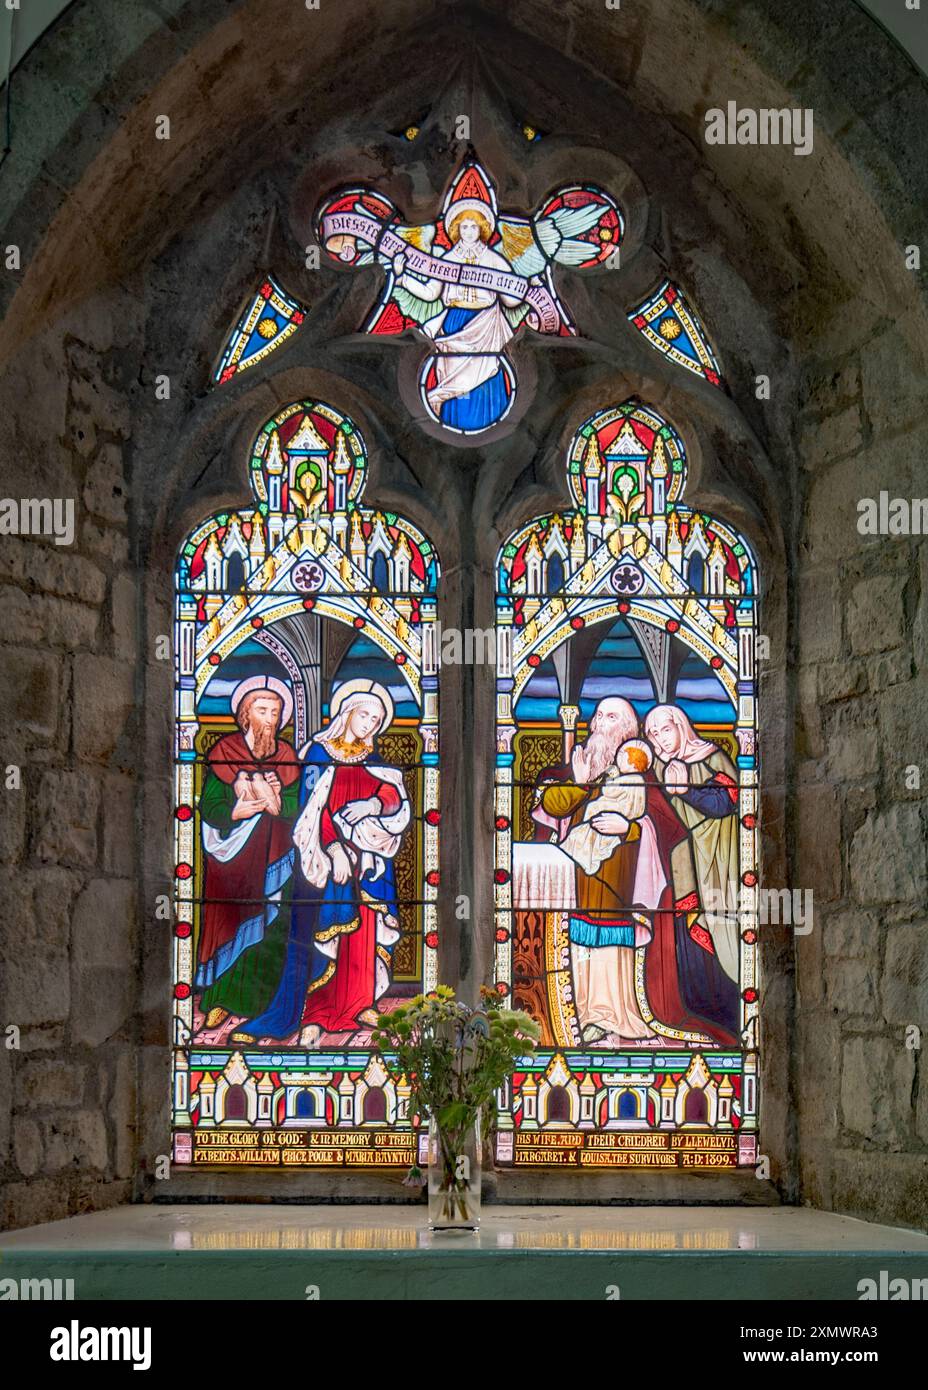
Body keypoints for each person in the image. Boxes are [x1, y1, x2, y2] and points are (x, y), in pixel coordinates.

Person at [535, 696, 738, 1047]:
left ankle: (622, 1017)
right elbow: (550, 805)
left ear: (628, 732)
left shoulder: (646, 778)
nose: (598, 724)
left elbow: (671, 829)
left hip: (625, 888)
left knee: (616, 955)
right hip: (580, 886)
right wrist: (581, 783)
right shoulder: (582, 768)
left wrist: (628, 829)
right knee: (583, 949)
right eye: (597, 716)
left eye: (610, 717)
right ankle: (584, 1018)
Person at [233, 680, 410, 1047]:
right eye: (365, 716)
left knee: (364, 931)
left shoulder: (372, 759)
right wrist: (333, 848)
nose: (369, 726)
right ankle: (312, 1014)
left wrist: (373, 806)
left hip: (368, 863)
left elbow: (393, 793)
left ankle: (359, 1003)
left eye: (377, 721)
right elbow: (312, 809)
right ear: (347, 713)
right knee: (321, 934)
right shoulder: (318, 752)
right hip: (323, 861)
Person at [195, 677, 300, 1031]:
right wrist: (238, 810)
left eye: (275, 711)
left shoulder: (287, 757)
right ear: (244, 714)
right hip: (231, 863)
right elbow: (210, 806)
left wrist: (274, 801)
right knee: (228, 925)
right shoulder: (224, 753)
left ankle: (263, 1005)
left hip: (275, 860)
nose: (270, 718)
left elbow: (296, 805)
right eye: (262, 709)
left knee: (271, 929)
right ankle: (220, 1001)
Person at [392, 198, 522, 430]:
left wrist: (526, 290)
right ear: (456, 229)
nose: (469, 231)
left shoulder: (495, 260)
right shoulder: (447, 260)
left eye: (473, 226)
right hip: (454, 326)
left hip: (486, 326)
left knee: (487, 378)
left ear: (482, 229)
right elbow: (431, 293)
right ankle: (454, 424)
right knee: (456, 389)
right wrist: (402, 278)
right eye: (464, 226)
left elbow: (511, 301)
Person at [644, 704, 741, 982]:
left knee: (721, 923)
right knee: (688, 928)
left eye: (665, 729)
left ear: (681, 725)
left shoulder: (711, 757)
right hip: (684, 862)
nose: (661, 738)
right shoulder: (660, 768)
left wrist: (687, 790)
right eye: (653, 734)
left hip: (718, 855)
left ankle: (733, 988)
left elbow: (725, 803)